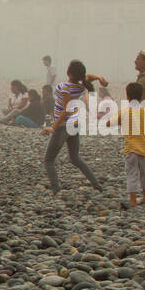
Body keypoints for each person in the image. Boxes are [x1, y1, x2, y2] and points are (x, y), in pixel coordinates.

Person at [41, 59, 105, 196]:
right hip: (74, 125)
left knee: (48, 160)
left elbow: (66, 110)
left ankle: (56, 189)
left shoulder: (65, 87)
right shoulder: (81, 85)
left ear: (68, 72)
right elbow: (89, 77)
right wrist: (99, 78)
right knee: (75, 157)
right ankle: (96, 184)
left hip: (63, 127)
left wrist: (52, 127)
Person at [104, 81, 145, 206]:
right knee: (144, 173)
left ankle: (132, 199)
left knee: (132, 173)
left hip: (131, 148)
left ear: (127, 96)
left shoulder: (124, 111)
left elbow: (109, 123)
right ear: (141, 96)